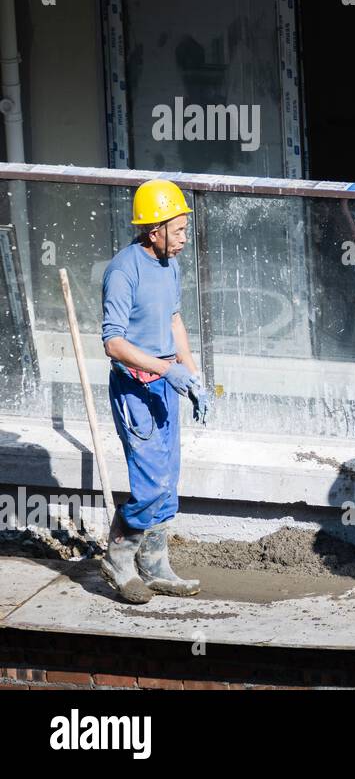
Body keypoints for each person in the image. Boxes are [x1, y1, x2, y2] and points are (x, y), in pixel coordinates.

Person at [100, 179, 212, 604]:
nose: (185, 238)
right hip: (135, 390)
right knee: (148, 485)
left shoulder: (170, 264)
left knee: (167, 482)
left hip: (165, 386)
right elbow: (113, 342)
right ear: (154, 230)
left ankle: (155, 563)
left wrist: (192, 373)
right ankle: (119, 556)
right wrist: (168, 369)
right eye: (179, 231)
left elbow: (174, 320)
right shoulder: (123, 271)